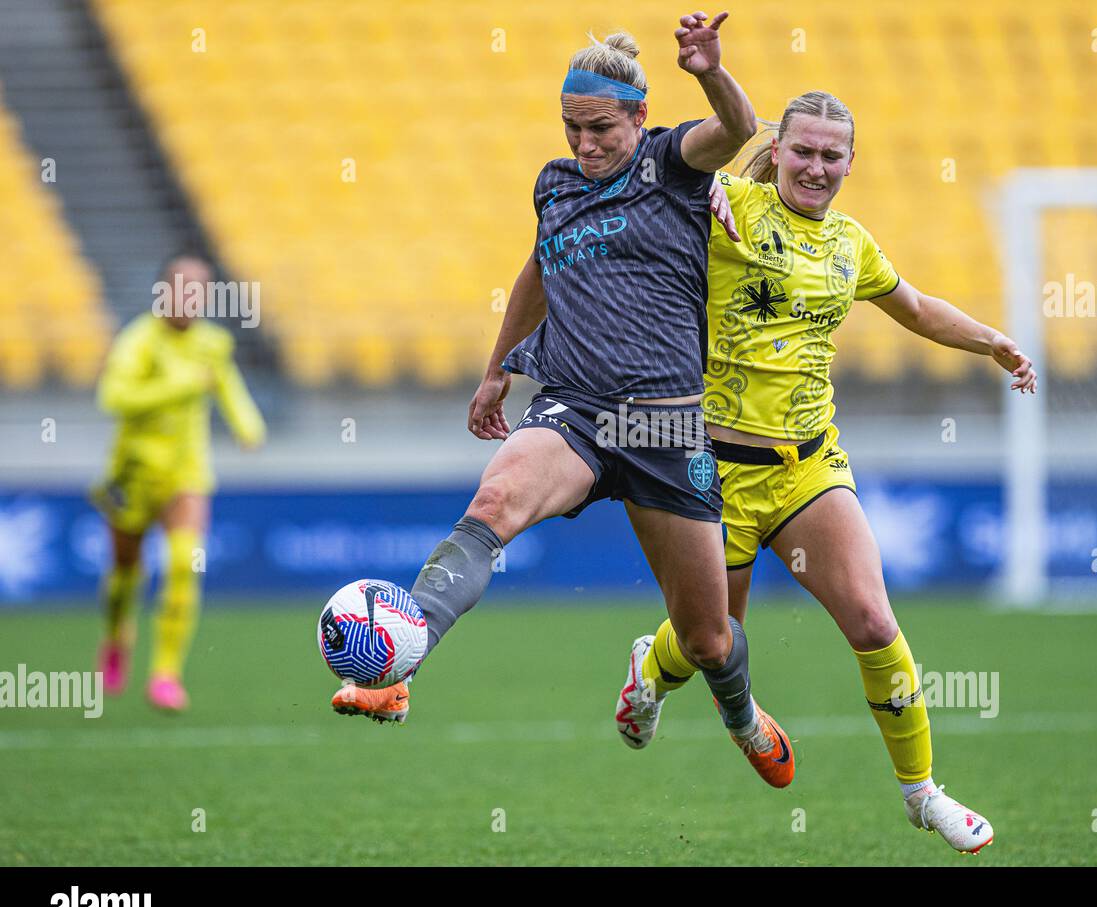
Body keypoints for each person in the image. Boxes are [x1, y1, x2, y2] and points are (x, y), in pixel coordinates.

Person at [331, 15, 797, 788]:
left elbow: (741, 127)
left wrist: (710, 71)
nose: (584, 144)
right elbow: (539, 269)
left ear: (639, 116)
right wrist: (497, 371)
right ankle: (396, 669)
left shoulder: (672, 162)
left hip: (667, 426)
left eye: (600, 128)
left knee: (708, 640)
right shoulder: (555, 184)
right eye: (571, 127)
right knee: (494, 502)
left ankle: (742, 715)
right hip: (575, 411)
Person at [617, 90, 1038, 852]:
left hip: (808, 468)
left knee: (874, 622)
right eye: (803, 151)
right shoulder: (728, 206)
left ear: (850, 162)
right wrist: (693, 187)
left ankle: (922, 793)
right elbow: (653, 186)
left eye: (831, 155)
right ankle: (651, 671)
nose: (816, 167)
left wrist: (992, 343)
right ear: (777, 150)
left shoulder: (851, 243)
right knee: (714, 642)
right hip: (713, 472)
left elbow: (915, 308)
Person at [92, 253, 266, 712]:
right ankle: (116, 638)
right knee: (124, 574)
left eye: (200, 290)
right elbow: (113, 396)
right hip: (133, 473)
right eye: (183, 288)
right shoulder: (138, 340)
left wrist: (248, 426)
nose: (192, 298)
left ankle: (165, 674)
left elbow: (226, 385)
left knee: (184, 564)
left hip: (186, 475)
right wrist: (182, 385)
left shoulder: (213, 343)